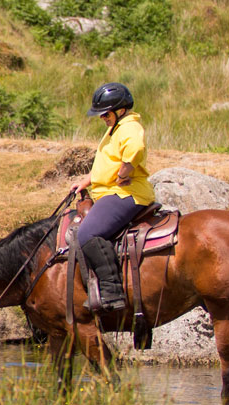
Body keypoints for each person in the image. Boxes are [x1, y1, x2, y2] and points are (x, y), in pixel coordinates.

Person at [67, 83, 154, 312]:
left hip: (127, 193)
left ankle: (112, 290)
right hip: (111, 191)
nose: (102, 118)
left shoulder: (128, 127)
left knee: (88, 233)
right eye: (101, 115)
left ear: (120, 110)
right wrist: (87, 180)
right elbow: (108, 161)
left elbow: (135, 149)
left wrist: (126, 170)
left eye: (105, 113)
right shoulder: (116, 127)